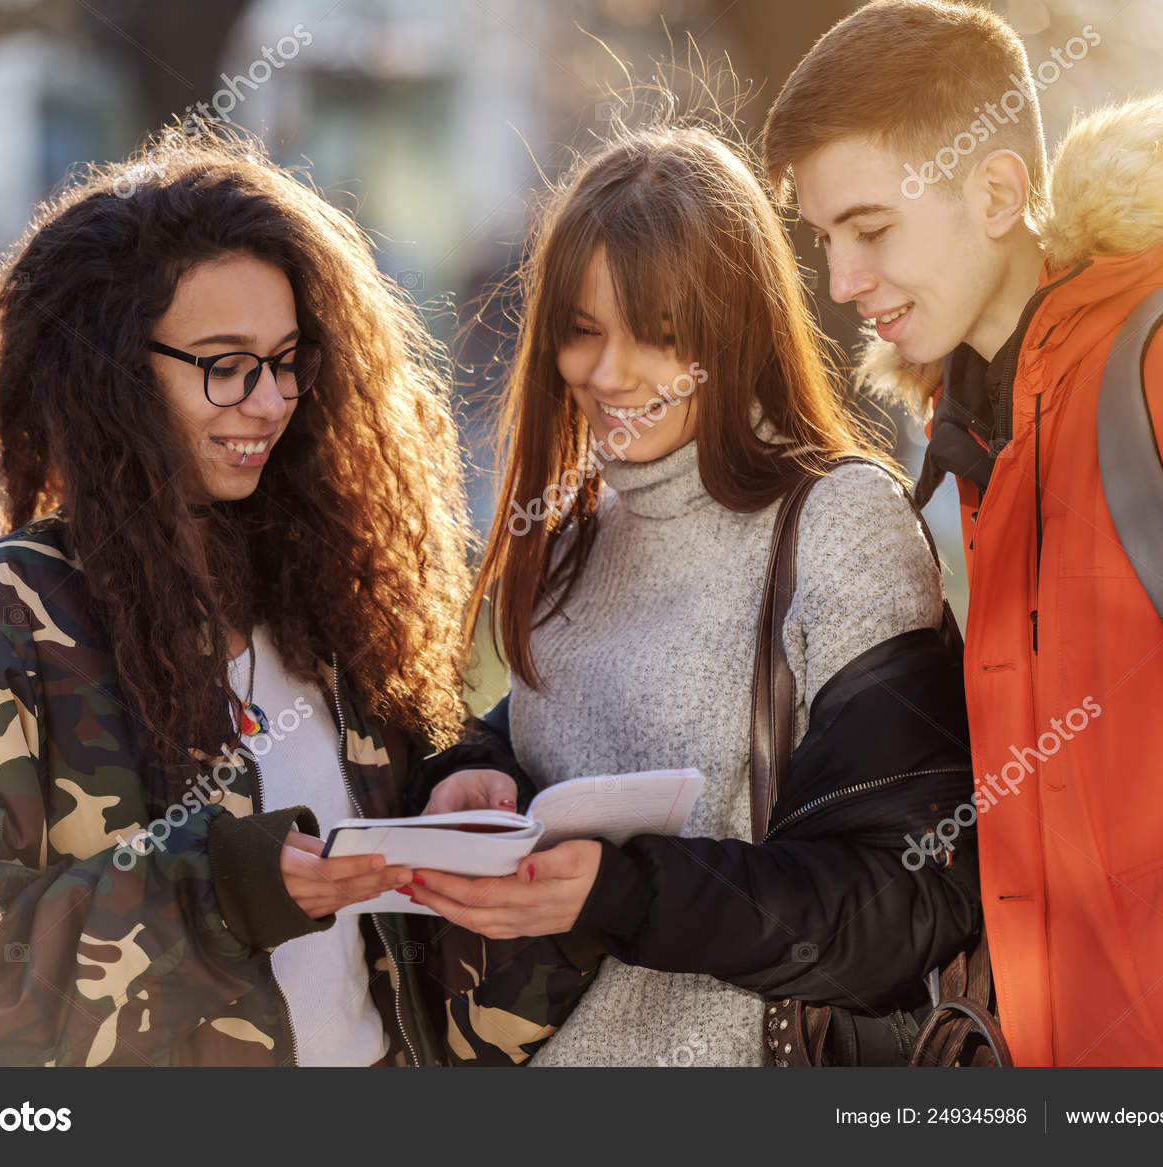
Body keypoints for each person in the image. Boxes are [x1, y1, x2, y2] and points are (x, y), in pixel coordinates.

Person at [0, 127, 581, 1066]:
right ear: (106, 372)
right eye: (225, 363)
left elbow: (400, 953)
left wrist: (463, 795)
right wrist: (221, 891)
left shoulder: (335, 600)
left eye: (287, 361)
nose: (272, 400)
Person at [764, 0, 1163, 1065]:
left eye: (871, 229)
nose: (842, 285)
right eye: (825, 239)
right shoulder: (990, 421)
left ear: (997, 190)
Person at [409, 119, 980, 1066]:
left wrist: (627, 894)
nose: (607, 372)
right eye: (581, 331)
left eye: (659, 336)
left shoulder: (839, 525)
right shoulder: (575, 532)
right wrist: (477, 773)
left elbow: (906, 903)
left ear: (735, 329)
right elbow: (559, 734)